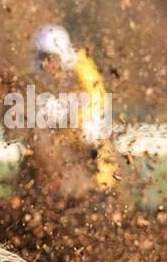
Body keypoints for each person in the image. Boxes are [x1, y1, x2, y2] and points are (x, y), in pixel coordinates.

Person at [31, 23, 118, 189]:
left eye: (51, 58)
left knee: (89, 133)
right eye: (42, 58)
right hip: (67, 125)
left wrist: (72, 114)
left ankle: (102, 185)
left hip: (87, 121)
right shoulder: (39, 71)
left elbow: (96, 96)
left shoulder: (81, 64)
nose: (46, 65)